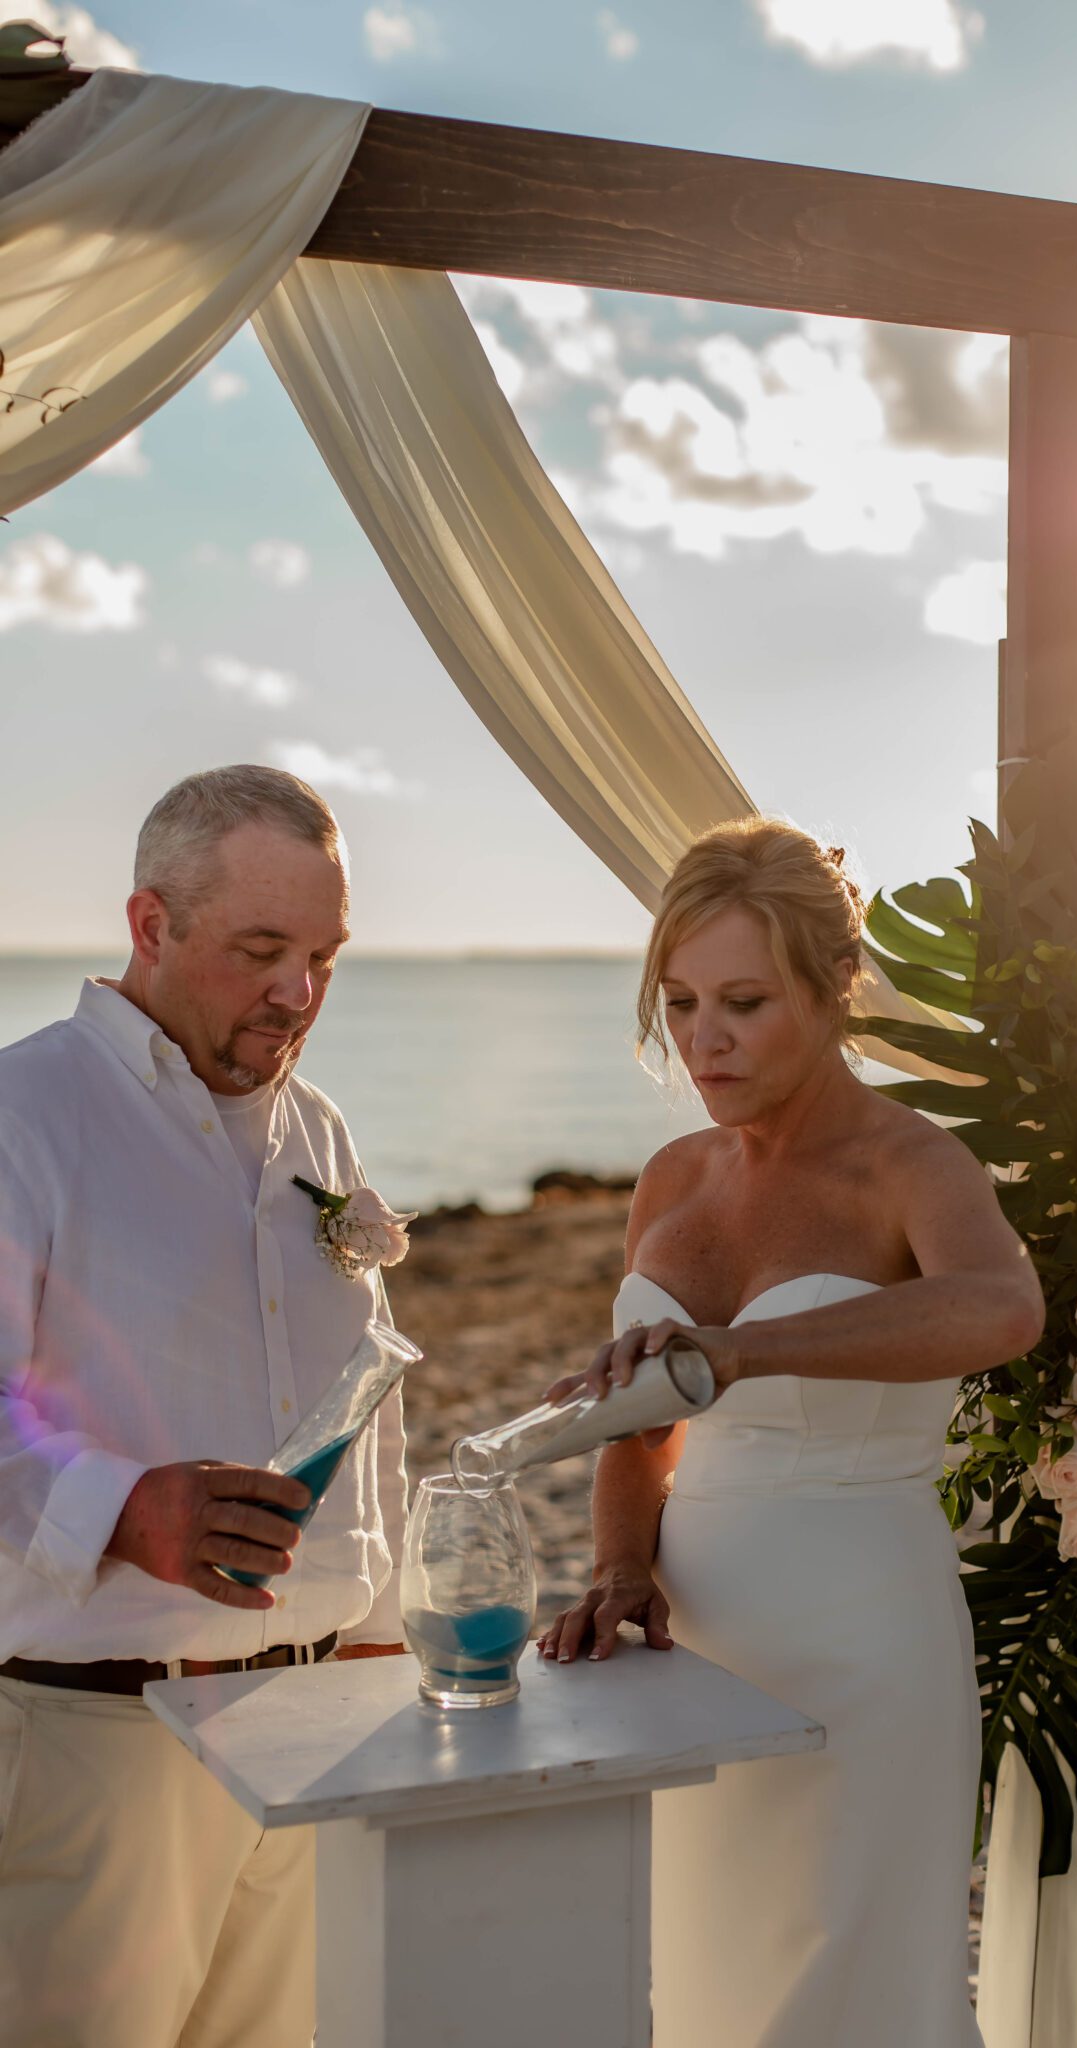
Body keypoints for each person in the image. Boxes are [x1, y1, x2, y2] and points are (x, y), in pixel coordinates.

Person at [539, 817, 1045, 2048]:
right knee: (708, 1977)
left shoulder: (912, 1164)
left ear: (835, 988)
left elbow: (1003, 1306)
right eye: (682, 1000)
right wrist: (619, 1564)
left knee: (852, 1987)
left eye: (746, 1001)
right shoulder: (670, 1177)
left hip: (867, 1636)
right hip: (690, 1642)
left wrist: (752, 1351)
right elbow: (640, 1427)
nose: (703, 1038)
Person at [0, 765, 410, 2048]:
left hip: (316, 1733)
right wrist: (125, 1509)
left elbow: (366, 1401)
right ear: (150, 925)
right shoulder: (26, 1112)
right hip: (103, 1742)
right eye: (262, 949)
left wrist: (386, 1642)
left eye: (325, 955)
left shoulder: (321, 1132)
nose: (301, 993)